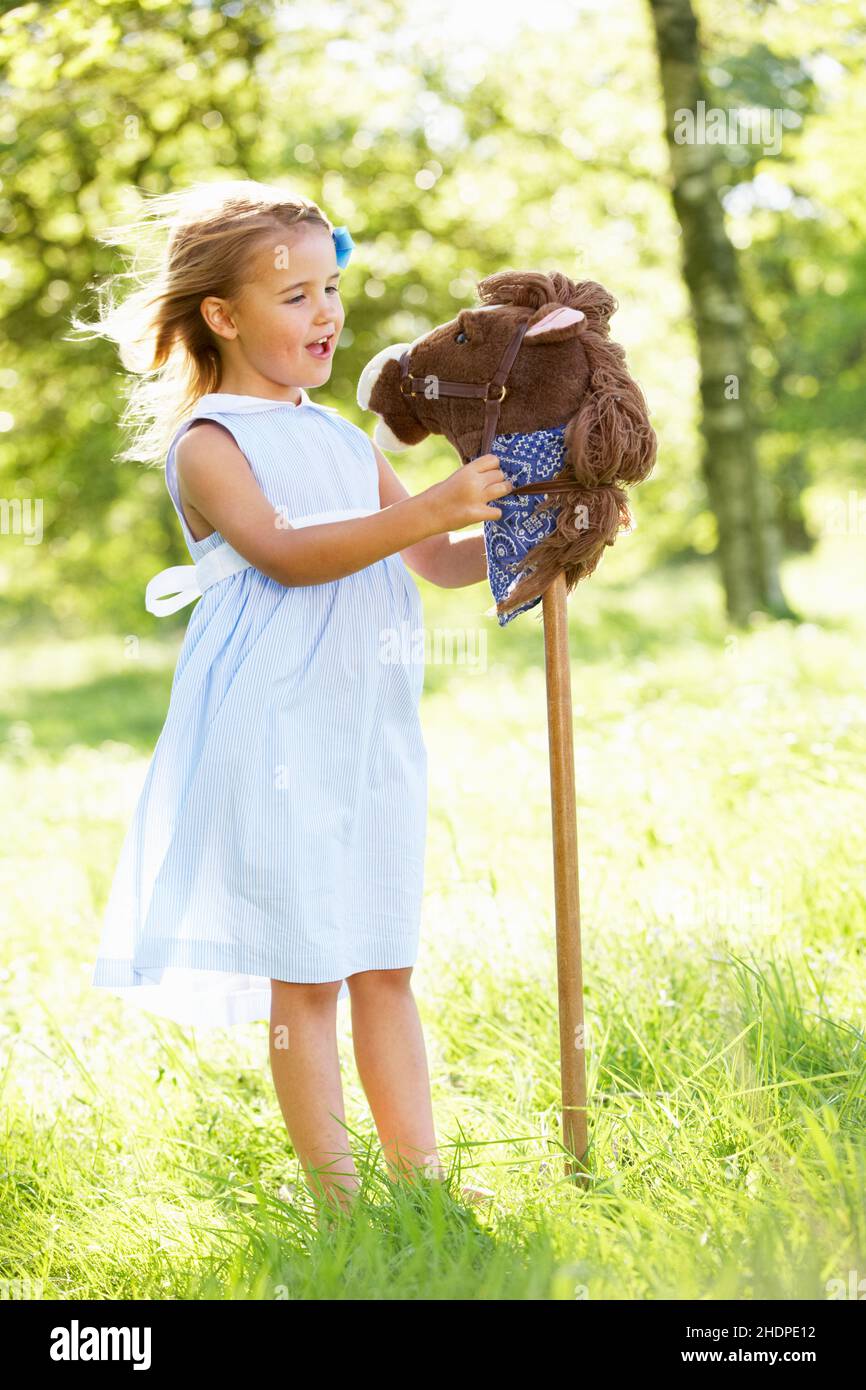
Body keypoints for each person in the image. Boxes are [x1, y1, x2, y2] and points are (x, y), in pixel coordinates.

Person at [76, 179, 510, 1220]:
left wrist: (530, 531)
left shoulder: (339, 437)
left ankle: (424, 1186)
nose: (327, 315)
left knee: (382, 958)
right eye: (296, 296)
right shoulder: (210, 441)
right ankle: (340, 1204)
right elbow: (288, 555)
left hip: (367, 736)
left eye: (331, 289)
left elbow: (440, 566)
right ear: (221, 315)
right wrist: (436, 506)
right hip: (273, 730)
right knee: (306, 974)